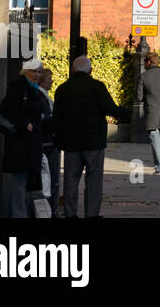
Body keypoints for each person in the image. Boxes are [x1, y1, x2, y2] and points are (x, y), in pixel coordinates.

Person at [53, 56, 125, 218]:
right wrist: (128, 112)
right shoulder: (97, 86)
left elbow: (56, 116)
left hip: (71, 142)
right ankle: (91, 214)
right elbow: (110, 109)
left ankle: (70, 213)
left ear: (72, 70)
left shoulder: (63, 88)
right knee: (93, 181)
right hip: (94, 142)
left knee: (71, 180)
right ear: (91, 71)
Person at [0, 57, 48, 217]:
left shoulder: (33, 89)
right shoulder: (19, 86)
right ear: (26, 70)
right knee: (19, 182)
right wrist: (26, 124)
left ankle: (22, 213)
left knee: (25, 182)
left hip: (31, 144)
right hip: (21, 144)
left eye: (40, 72)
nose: (37, 75)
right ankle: (19, 214)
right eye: (34, 71)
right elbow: (7, 109)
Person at [136, 52, 160, 174]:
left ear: (148, 62)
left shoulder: (143, 76)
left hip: (152, 111)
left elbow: (138, 97)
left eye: (144, 62)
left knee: (154, 138)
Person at [37, 68, 60, 217]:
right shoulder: (40, 96)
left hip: (48, 142)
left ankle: (51, 210)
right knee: (47, 179)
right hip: (46, 143)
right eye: (49, 78)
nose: (52, 81)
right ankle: (49, 211)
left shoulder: (43, 95)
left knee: (49, 179)